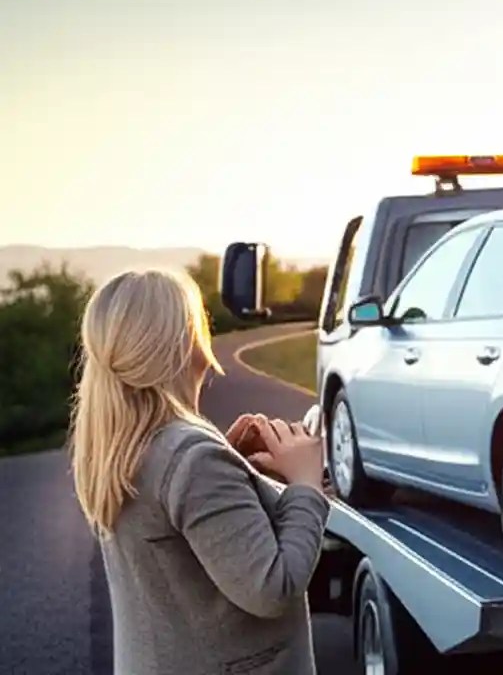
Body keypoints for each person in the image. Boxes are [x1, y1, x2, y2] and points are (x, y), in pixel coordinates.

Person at [67, 267, 331, 675]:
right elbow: (272, 588)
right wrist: (306, 484)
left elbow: (186, 540)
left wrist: (241, 474)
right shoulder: (193, 458)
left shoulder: (123, 447)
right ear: (187, 345)